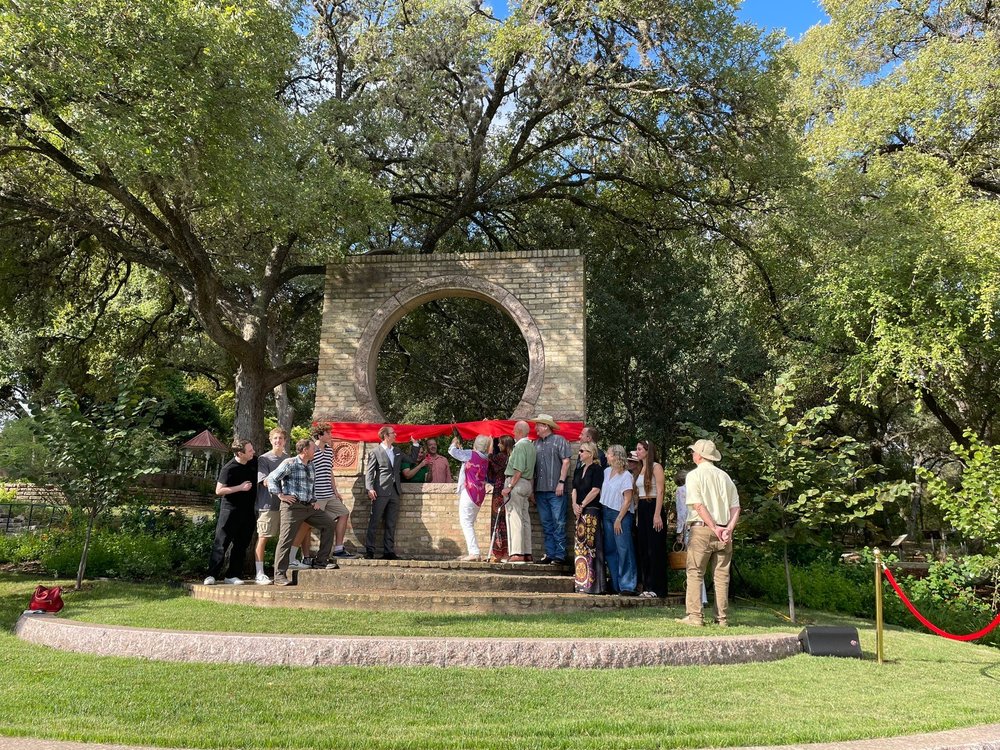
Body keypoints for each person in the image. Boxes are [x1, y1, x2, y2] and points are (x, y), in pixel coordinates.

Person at [676, 439, 741, 627]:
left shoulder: (694, 476)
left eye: (693, 452)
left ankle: (695, 617)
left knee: (695, 572)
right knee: (721, 576)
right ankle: (722, 619)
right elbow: (736, 507)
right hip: (724, 531)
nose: (692, 454)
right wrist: (728, 528)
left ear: (699, 456)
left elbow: (698, 504)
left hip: (703, 528)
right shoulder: (725, 477)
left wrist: (714, 527)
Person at [268, 438, 338, 586]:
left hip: (309, 507)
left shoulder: (311, 465)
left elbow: (310, 486)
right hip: (292, 508)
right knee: (286, 539)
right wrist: (281, 495)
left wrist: (314, 500)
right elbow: (272, 479)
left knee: (329, 524)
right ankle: (279, 575)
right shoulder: (290, 464)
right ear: (305, 450)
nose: (316, 451)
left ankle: (320, 561)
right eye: (313, 449)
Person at [204, 438, 258, 586]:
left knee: (241, 544)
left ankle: (233, 575)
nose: (253, 452)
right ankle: (211, 574)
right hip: (230, 511)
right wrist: (239, 488)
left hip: (248, 511)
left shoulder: (254, 461)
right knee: (222, 542)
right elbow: (219, 490)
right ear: (240, 453)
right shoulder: (229, 468)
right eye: (250, 450)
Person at [364, 426, 420, 560]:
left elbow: (412, 459)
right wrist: (369, 488)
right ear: (386, 436)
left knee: (391, 523)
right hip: (380, 491)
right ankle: (370, 551)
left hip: (395, 491)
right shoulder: (375, 452)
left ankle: (388, 551)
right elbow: (370, 472)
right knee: (374, 521)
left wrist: (415, 444)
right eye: (393, 433)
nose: (395, 435)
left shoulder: (397, 451)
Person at [530, 414, 572, 565]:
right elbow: (532, 469)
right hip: (540, 490)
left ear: (546, 426)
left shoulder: (559, 440)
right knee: (546, 523)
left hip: (556, 490)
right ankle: (550, 553)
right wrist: (532, 490)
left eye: (538, 425)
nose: (535, 428)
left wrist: (561, 482)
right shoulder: (535, 444)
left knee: (559, 522)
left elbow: (566, 462)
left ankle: (560, 555)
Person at [311, 425, 356, 559]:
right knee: (308, 525)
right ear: (320, 436)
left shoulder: (330, 451)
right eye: (328, 433)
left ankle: (338, 549)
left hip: (329, 493)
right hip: (316, 495)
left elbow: (330, 471)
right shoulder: (311, 449)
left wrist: (335, 491)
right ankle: (306, 556)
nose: (331, 435)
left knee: (343, 513)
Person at [600, 444, 637, 595]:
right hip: (606, 511)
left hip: (620, 514)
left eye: (608, 454)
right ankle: (616, 584)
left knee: (624, 549)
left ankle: (627, 585)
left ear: (615, 456)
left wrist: (619, 519)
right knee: (610, 549)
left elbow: (627, 500)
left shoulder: (626, 476)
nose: (606, 456)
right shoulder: (606, 471)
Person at [448, 434, 492, 561]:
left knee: (466, 522)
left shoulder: (470, 454)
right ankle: (473, 551)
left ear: (475, 445)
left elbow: (452, 452)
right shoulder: (485, 458)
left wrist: (454, 442)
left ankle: (474, 552)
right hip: (479, 493)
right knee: (470, 522)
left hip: (469, 491)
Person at [634, 439, 668, 598]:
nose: (638, 451)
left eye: (640, 449)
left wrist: (657, 514)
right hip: (642, 506)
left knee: (655, 548)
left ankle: (657, 587)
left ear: (648, 450)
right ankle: (647, 585)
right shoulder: (641, 469)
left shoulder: (656, 467)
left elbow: (660, 491)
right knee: (644, 548)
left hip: (653, 504)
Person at [253, 428, 288, 585]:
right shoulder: (264, 459)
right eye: (275, 438)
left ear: (285, 441)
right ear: (270, 440)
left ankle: (281, 570)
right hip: (268, 505)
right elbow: (265, 481)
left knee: (286, 538)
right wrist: (281, 491)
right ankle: (259, 573)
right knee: (263, 538)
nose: (278, 441)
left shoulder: (289, 459)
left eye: (280, 438)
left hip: (286, 506)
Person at [571, 440, 605, 594]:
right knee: (580, 547)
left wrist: (582, 504)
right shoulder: (579, 470)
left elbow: (596, 490)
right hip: (579, 511)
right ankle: (581, 582)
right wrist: (574, 505)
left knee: (591, 546)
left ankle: (593, 584)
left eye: (582, 451)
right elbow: (574, 489)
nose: (579, 454)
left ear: (590, 453)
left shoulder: (597, 469)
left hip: (591, 509)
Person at [501, 420, 535, 563]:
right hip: (527, 484)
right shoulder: (531, 446)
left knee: (514, 517)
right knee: (525, 518)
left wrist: (510, 486)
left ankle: (516, 552)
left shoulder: (520, 446)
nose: (513, 433)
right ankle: (527, 552)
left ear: (519, 431)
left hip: (517, 483)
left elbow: (518, 469)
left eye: (515, 431)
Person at [675, 468, 707, 607]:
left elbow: (682, 512)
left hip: (690, 527)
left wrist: (679, 532)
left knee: (692, 564)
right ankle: (703, 596)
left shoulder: (681, 491)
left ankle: (697, 596)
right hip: (704, 526)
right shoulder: (701, 489)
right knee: (701, 563)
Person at [486, 435, 514, 562]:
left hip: (499, 489)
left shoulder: (501, 457)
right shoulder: (512, 456)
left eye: (500, 443)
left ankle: (501, 552)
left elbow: (490, 458)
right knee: (507, 520)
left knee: (498, 520)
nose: (498, 445)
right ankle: (507, 551)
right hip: (509, 488)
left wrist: (491, 440)